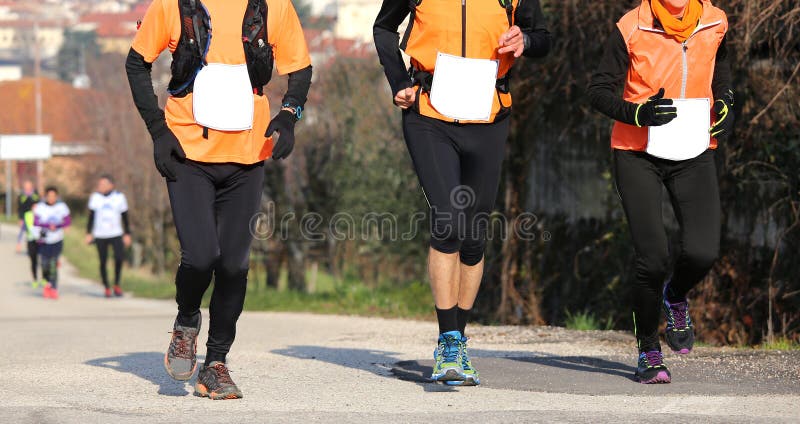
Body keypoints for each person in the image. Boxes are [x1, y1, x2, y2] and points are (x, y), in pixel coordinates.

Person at [127, 0, 312, 399]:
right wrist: (158, 131)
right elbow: (136, 62)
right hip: (188, 154)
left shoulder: (272, 6)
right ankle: (187, 321)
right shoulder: (176, 5)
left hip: (247, 156)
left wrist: (289, 114)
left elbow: (300, 68)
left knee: (233, 263)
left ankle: (216, 363)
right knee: (199, 256)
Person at [374, 0, 552, 385]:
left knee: (474, 235)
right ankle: (448, 340)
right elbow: (383, 28)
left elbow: (543, 38)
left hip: (489, 117)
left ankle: (459, 340)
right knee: (449, 221)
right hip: (429, 114)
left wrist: (526, 40)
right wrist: (398, 81)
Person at [587, 0, 732, 384]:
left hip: (693, 150)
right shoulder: (631, 26)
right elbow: (598, 90)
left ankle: (676, 295)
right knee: (652, 258)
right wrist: (638, 113)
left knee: (704, 251)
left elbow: (722, 69)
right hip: (638, 153)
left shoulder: (715, 21)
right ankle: (649, 349)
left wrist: (727, 101)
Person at [85, 175, 132, 298]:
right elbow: (91, 217)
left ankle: (116, 284)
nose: (100, 187)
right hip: (100, 234)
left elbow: (125, 216)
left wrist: (127, 234)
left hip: (116, 233)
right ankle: (106, 287)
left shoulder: (119, 197)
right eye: (99, 184)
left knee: (119, 258)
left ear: (111, 185)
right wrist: (88, 233)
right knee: (103, 261)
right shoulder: (95, 198)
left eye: (103, 184)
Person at [34, 187, 71, 300]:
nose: (51, 198)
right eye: (49, 196)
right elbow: (35, 222)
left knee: (53, 264)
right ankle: (47, 285)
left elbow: (68, 220)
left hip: (57, 239)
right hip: (44, 240)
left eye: (53, 196)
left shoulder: (62, 207)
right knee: (45, 265)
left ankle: (54, 288)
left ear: (57, 197)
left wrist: (59, 226)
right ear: (45, 196)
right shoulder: (40, 207)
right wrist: (47, 226)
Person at [16, 180, 39, 254]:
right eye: (26, 186)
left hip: (33, 216)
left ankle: (32, 246)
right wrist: (20, 218)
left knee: (32, 232)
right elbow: (20, 208)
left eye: (29, 186)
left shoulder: (35, 194)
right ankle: (19, 245)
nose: (27, 188)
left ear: (31, 186)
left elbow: (38, 203)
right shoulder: (22, 196)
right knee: (22, 231)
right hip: (24, 216)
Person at [24, 203, 43, 288]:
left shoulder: (43, 214)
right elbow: (30, 226)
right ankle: (35, 279)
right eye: (34, 207)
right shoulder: (28, 214)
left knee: (43, 261)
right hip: (31, 240)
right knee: (33, 261)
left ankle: (44, 279)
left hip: (42, 241)